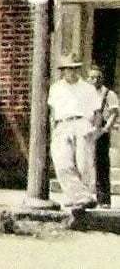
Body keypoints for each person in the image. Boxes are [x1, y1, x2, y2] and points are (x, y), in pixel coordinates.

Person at [49, 57, 100, 210]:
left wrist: (95, 130)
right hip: (62, 124)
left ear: (78, 70)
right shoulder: (56, 88)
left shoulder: (88, 88)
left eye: (74, 68)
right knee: (62, 163)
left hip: (82, 123)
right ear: (63, 71)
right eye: (67, 69)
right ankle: (80, 197)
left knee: (84, 164)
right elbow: (53, 111)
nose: (71, 72)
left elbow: (97, 111)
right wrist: (54, 129)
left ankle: (82, 197)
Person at [87, 67, 118, 207]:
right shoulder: (86, 93)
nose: (93, 80)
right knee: (85, 164)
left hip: (101, 131)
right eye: (91, 77)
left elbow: (114, 113)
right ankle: (85, 198)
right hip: (87, 129)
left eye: (96, 77)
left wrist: (106, 129)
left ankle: (104, 200)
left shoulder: (108, 94)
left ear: (101, 79)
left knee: (101, 165)